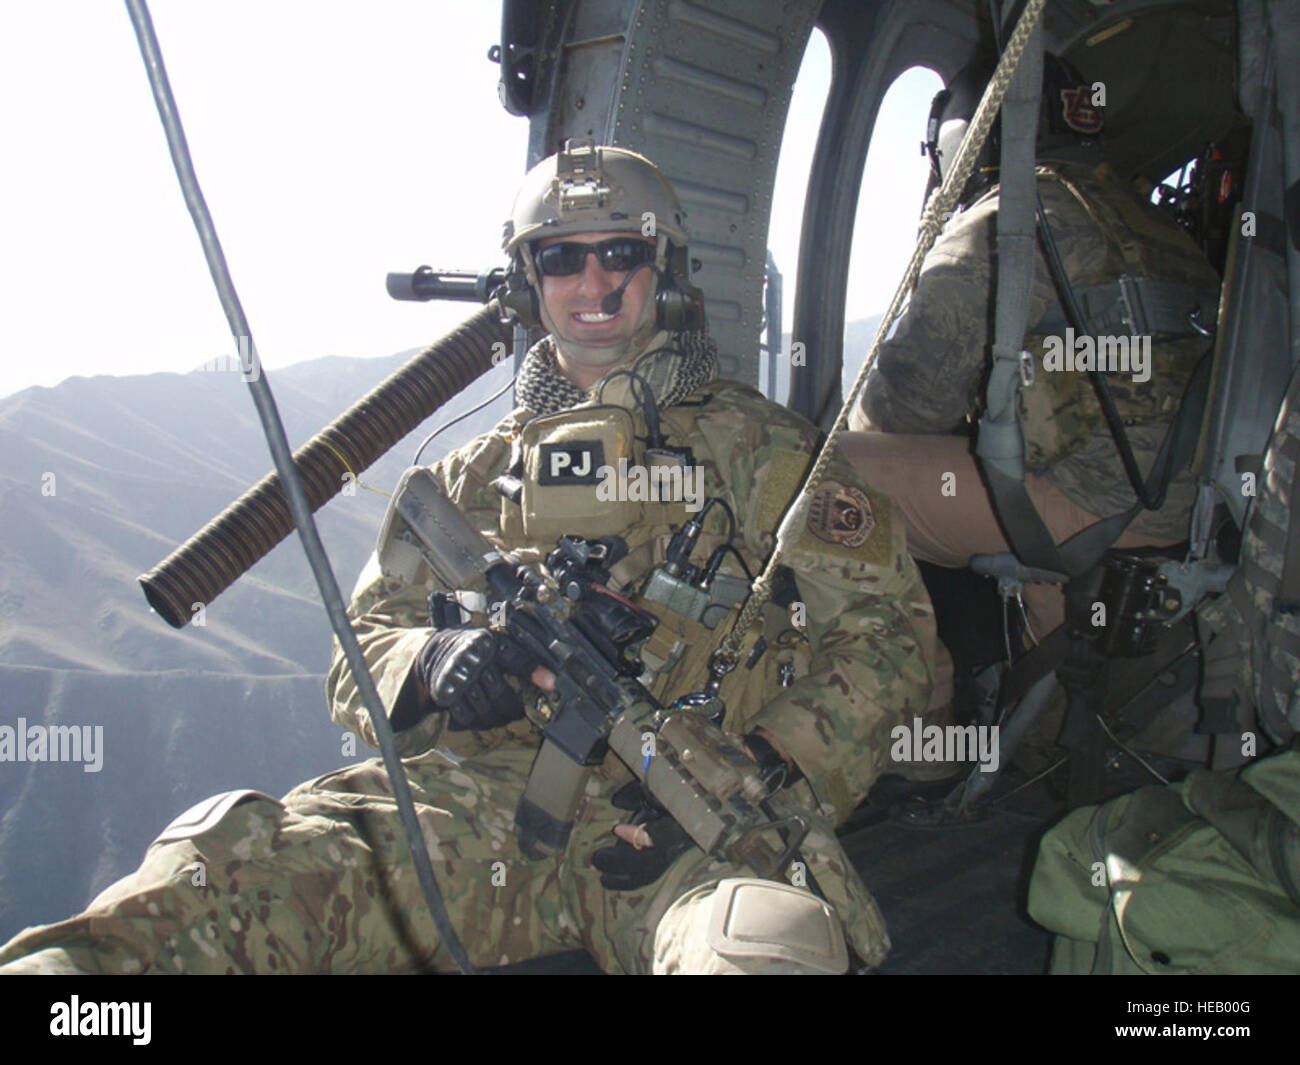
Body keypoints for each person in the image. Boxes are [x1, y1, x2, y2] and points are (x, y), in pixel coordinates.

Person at [0, 140, 937, 974]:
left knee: (758, 946)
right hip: (478, 810)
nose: (593, 280)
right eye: (562, 258)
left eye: (622, 252)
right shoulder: (466, 476)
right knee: (222, 878)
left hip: (679, 825)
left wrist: (762, 761)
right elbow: (361, 643)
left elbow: (890, 637)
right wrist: (435, 667)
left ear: (665, 268)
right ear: (530, 281)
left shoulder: (768, 452)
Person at [839, 55, 1221, 689]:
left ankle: (915, 730)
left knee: (824, 481)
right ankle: (1041, 730)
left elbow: (904, 409)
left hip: (1089, 506)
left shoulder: (1005, 221)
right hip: (1180, 504)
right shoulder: (1155, 224)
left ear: (964, 141)